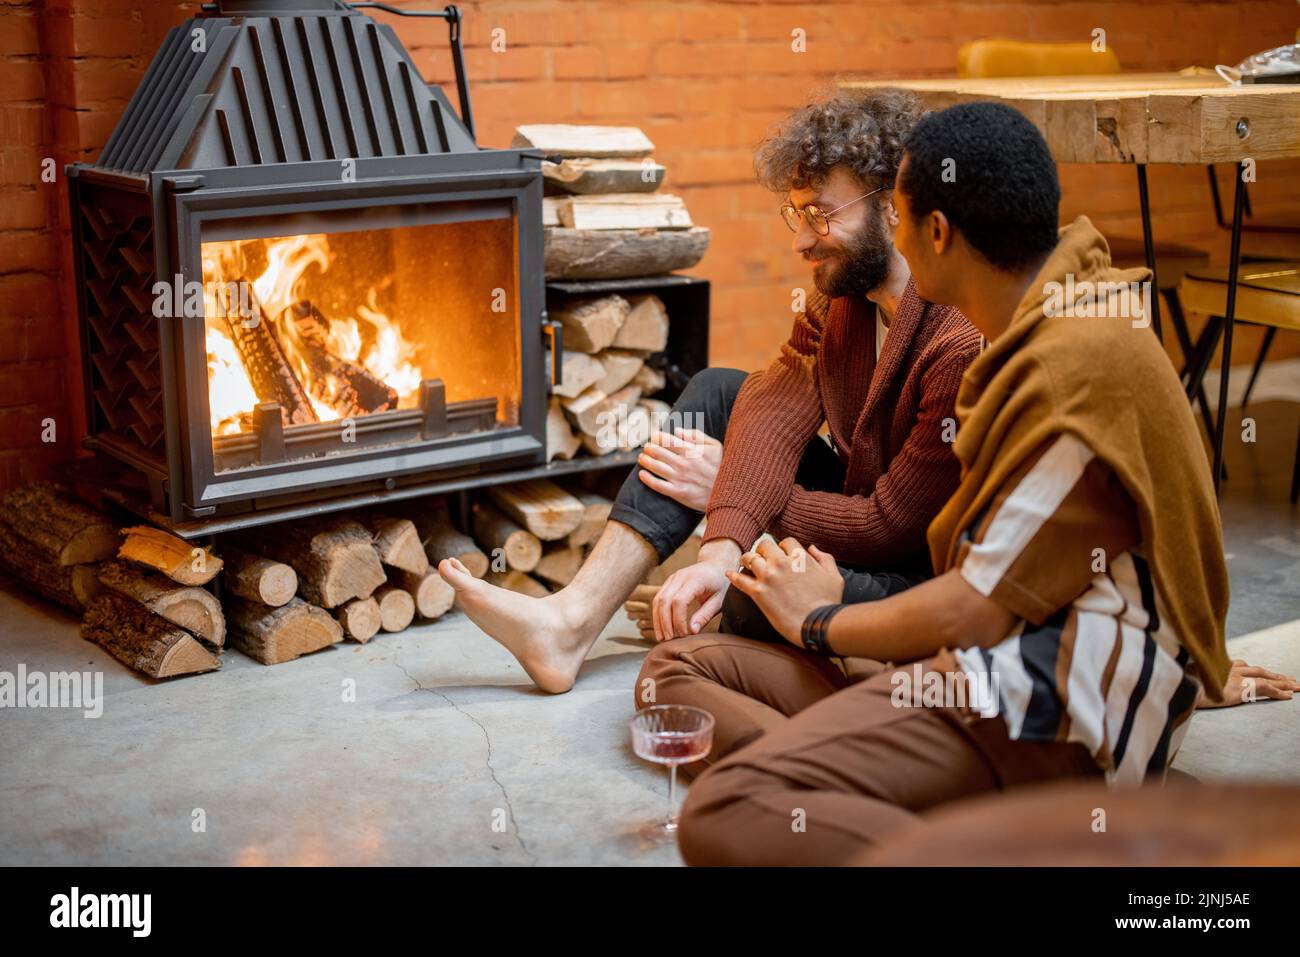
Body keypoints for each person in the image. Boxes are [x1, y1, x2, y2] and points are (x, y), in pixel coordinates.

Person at [669, 101, 1288, 867]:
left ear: (935, 233)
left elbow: (972, 604)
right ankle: (855, 782)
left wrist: (820, 620)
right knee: (676, 669)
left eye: (896, 215)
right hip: (977, 667)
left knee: (728, 807)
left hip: (1055, 710)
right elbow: (775, 394)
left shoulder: (1071, 367)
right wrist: (733, 546)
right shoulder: (1057, 319)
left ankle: (969, 827)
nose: (888, 235)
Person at [436, 88, 981, 694]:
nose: (802, 241)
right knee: (719, 392)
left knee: (758, 597)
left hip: (913, 574)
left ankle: (782, 632)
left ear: (895, 207)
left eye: (821, 214)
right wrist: (719, 552)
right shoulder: (841, 300)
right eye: (797, 215)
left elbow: (891, 526)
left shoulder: (957, 341)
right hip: (852, 516)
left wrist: (729, 490)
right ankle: (571, 620)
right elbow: (775, 403)